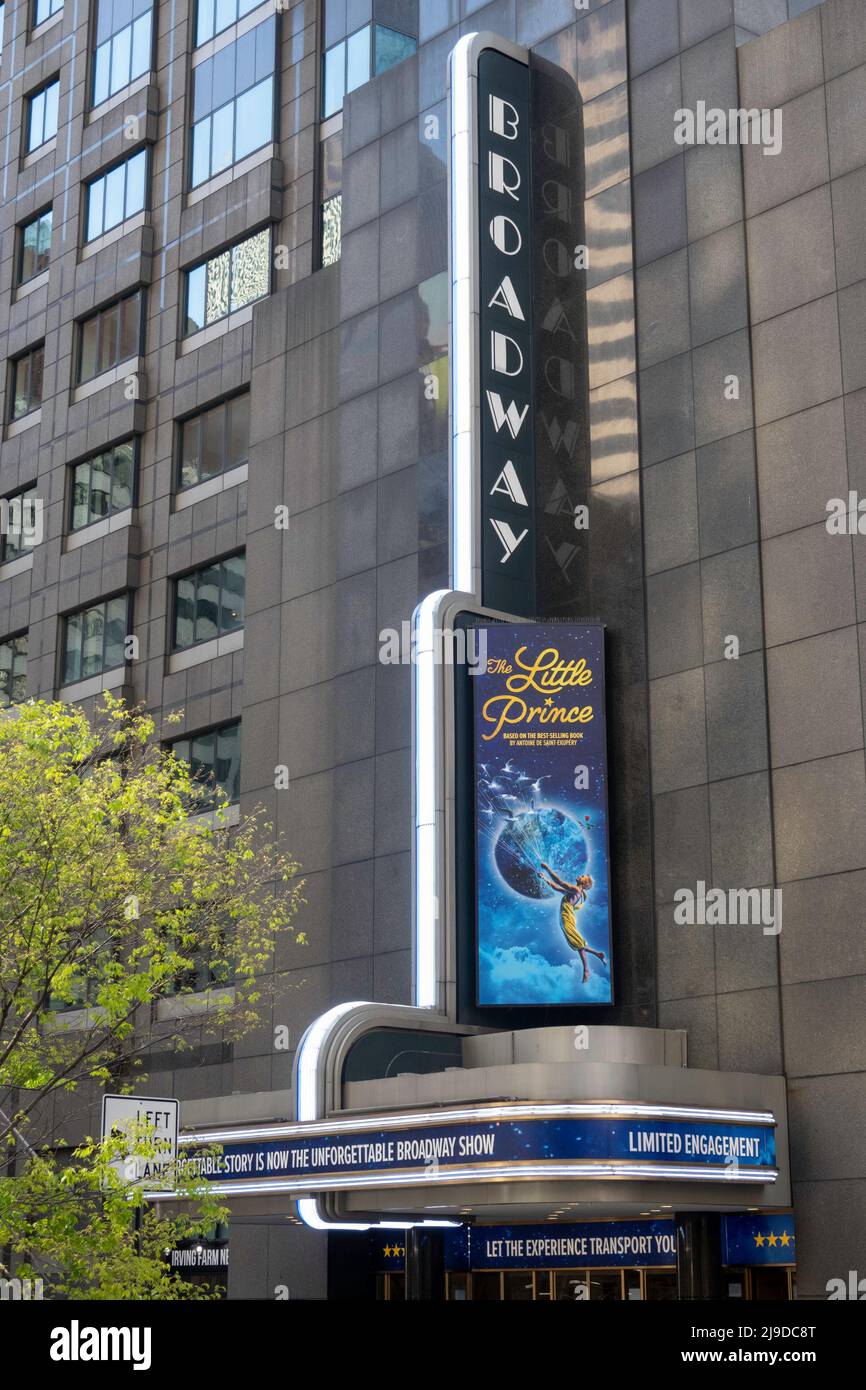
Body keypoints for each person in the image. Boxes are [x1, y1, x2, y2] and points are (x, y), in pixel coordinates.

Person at [539, 861, 607, 983]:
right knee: (575, 941)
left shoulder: (576, 889)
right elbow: (556, 887)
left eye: (583, 877)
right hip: (566, 916)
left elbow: (559, 881)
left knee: (576, 941)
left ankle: (588, 967)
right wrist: (544, 878)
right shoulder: (574, 891)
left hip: (567, 917)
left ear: (584, 883)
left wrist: (547, 869)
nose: (580, 875)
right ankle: (596, 956)